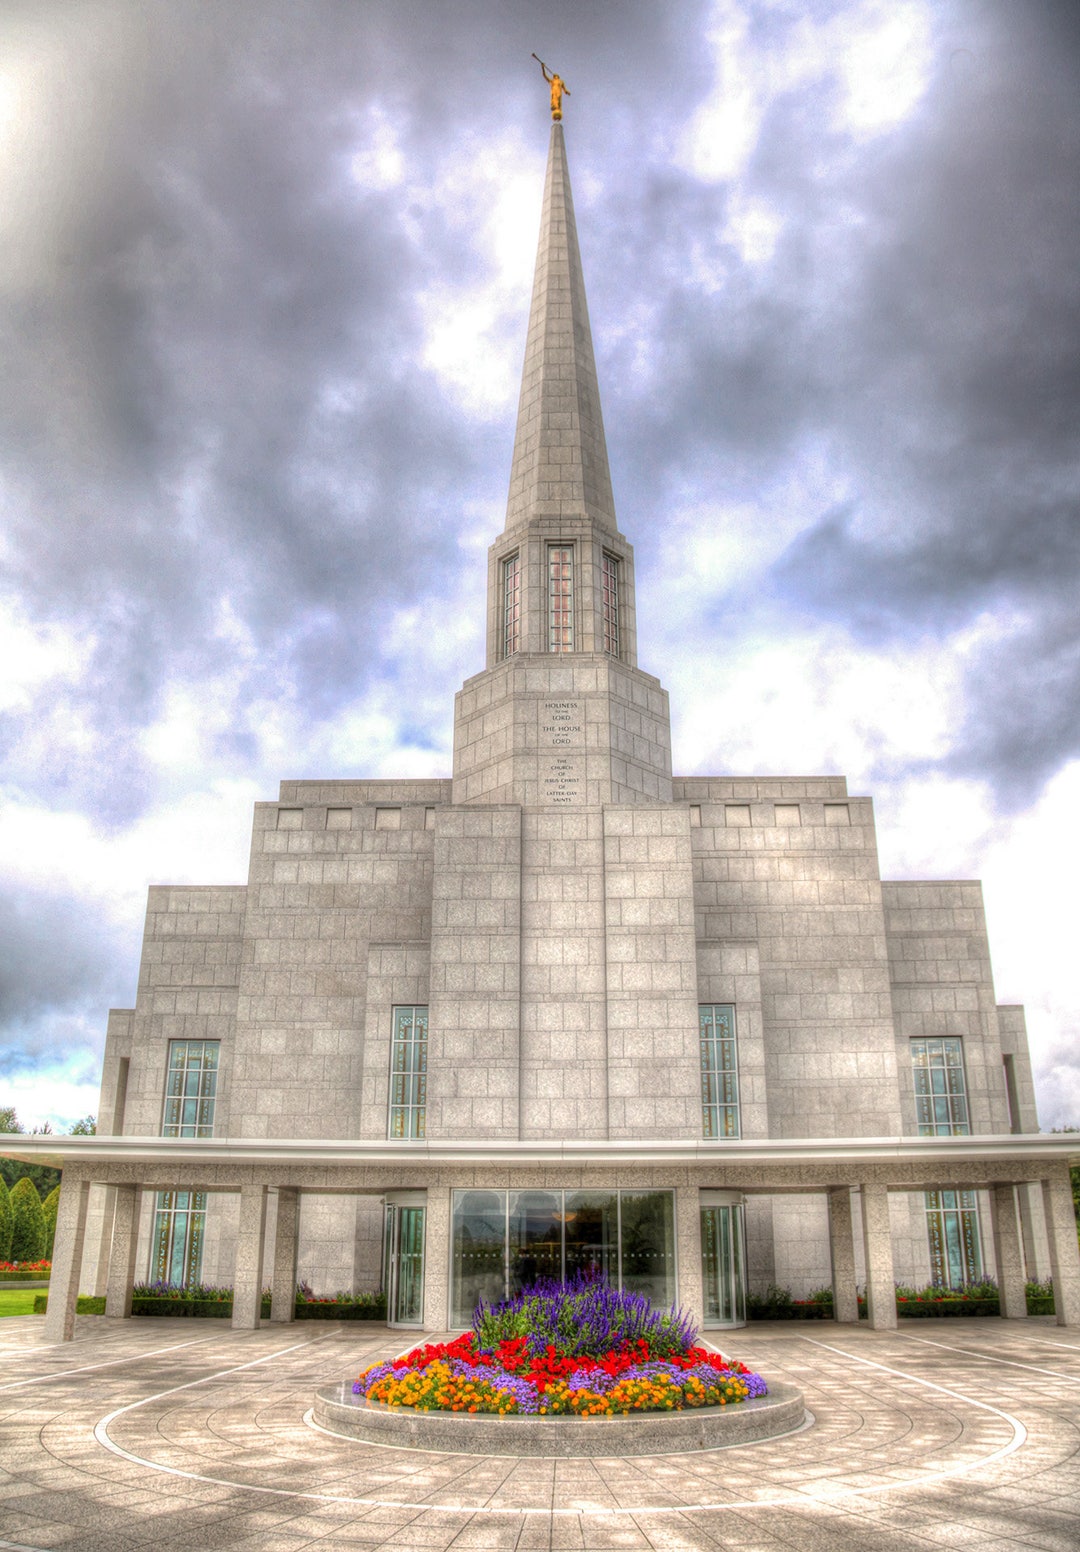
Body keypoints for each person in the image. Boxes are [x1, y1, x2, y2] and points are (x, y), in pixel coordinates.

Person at [533, 55, 570, 120]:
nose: (555, 77)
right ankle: (555, 108)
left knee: (558, 101)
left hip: (559, 92)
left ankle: (557, 109)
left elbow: (564, 88)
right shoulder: (552, 81)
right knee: (555, 101)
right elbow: (544, 76)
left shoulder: (561, 81)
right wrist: (543, 68)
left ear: (558, 77)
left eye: (556, 76)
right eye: (554, 76)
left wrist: (566, 91)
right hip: (554, 91)